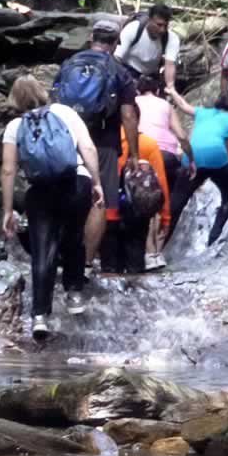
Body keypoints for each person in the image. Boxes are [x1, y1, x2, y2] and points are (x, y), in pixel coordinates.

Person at [0, 77, 104, 341]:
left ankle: (39, 317)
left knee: (43, 249)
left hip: (41, 190)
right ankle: (74, 293)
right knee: (74, 237)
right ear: (42, 92)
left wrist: (8, 210)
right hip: (76, 182)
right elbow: (88, 147)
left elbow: (9, 169)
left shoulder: (14, 126)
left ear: (16, 100)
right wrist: (97, 182)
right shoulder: (65, 112)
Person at [53, 19, 140, 269]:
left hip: (67, 140)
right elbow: (128, 115)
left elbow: (54, 103)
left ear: (92, 38)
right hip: (103, 143)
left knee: (65, 195)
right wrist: (133, 154)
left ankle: (58, 255)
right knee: (99, 201)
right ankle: (86, 263)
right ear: (115, 43)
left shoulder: (70, 63)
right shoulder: (119, 71)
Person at [164, 87, 228, 248]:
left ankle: (157, 246)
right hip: (216, 160)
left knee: (176, 204)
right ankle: (214, 237)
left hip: (192, 160)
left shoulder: (203, 113)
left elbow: (183, 105)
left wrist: (172, 91)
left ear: (216, 106)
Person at [104, 122, 172, 274]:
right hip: (137, 214)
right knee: (135, 267)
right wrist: (165, 218)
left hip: (108, 214)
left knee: (109, 268)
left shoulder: (103, 142)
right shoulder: (148, 144)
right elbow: (160, 184)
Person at [134, 75, 186, 268]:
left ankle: (141, 248)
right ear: (156, 91)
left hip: (138, 151)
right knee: (160, 201)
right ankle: (156, 251)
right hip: (166, 155)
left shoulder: (133, 102)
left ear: (138, 91)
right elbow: (181, 135)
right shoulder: (165, 105)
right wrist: (190, 157)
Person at [115, 4, 181, 89]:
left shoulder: (171, 39)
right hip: (126, 70)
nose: (162, 30)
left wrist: (171, 88)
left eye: (165, 26)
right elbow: (116, 58)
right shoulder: (133, 29)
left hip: (149, 76)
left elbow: (170, 65)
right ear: (149, 20)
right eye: (159, 25)